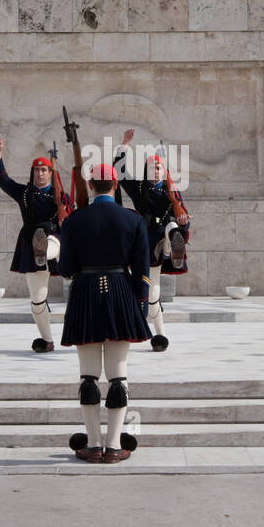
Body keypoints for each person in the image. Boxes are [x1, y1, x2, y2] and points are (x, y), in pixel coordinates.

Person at [58, 163, 151, 463]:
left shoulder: (74, 220)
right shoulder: (132, 219)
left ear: (91, 186)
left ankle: (93, 444)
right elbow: (142, 268)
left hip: (85, 291)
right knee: (118, 376)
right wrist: (141, 301)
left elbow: (66, 269)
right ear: (114, 187)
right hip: (121, 290)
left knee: (88, 377)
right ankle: (113, 447)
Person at [0, 137, 73, 352]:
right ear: (33, 173)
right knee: (37, 301)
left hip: (55, 238)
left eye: (44, 170)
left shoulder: (62, 196)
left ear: (50, 173)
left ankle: (46, 250)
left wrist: (67, 215)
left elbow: (75, 220)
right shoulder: (25, 194)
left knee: (52, 240)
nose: (40, 174)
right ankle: (47, 340)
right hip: (31, 242)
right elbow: (3, 181)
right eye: (36, 171)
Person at [114, 129, 190, 352]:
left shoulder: (172, 192)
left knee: (174, 227)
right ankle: (160, 335)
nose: (155, 171)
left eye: (158, 167)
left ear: (164, 170)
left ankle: (174, 245)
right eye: (151, 168)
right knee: (153, 295)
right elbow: (120, 172)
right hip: (148, 244)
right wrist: (124, 145)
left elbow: (184, 216)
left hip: (166, 235)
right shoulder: (139, 188)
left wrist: (183, 222)